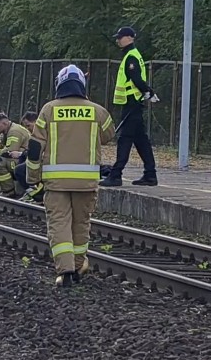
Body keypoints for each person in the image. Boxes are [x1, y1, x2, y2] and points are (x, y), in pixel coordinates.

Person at [26, 64, 115, 288]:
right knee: (81, 224)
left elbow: (35, 148)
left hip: (56, 183)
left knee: (59, 224)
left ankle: (65, 271)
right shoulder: (97, 111)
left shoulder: (48, 110)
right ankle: (78, 267)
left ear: (59, 85)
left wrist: (32, 177)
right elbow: (108, 135)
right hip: (86, 182)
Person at [99, 26, 159, 187]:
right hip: (133, 103)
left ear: (130, 38)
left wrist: (147, 91)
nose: (118, 40)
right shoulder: (131, 55)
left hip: (132, 103)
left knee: (125, 139)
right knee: (141, 140)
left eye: (120, 37)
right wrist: (148, 92)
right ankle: (150, 174)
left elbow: (136, 78)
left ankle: (116, 174)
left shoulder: (131, 56)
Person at [0, 112, 31, 197]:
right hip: (18, 158)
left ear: (5, 123)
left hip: (24, 159)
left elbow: (9, 152)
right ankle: (1, 189)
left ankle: (9, 192)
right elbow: (1, 147)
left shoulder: (14, 131)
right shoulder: (7, 130)